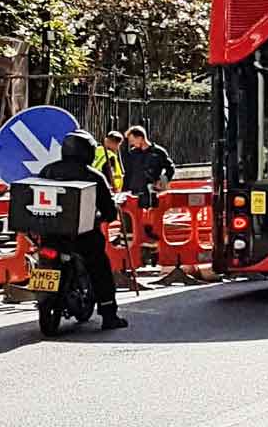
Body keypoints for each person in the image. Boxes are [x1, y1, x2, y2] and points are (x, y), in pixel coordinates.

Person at [39, 130, 128, 329]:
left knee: (43, 260)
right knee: (100, 269)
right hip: (83, 237)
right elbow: (108, 209)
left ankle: (44, 300)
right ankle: (109, 315)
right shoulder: (92, 175)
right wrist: (108, 214)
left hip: (50, 235)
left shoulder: (48, 171)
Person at [123, 126, 175, 196]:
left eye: (132, 141)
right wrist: (124, 191)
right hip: (134, 193)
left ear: (140, 138)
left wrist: (162, 181)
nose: (131, 144)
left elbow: (170, 168)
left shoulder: (158, 152)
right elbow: (128, 173)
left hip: (152, 192)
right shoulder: (132, 153)